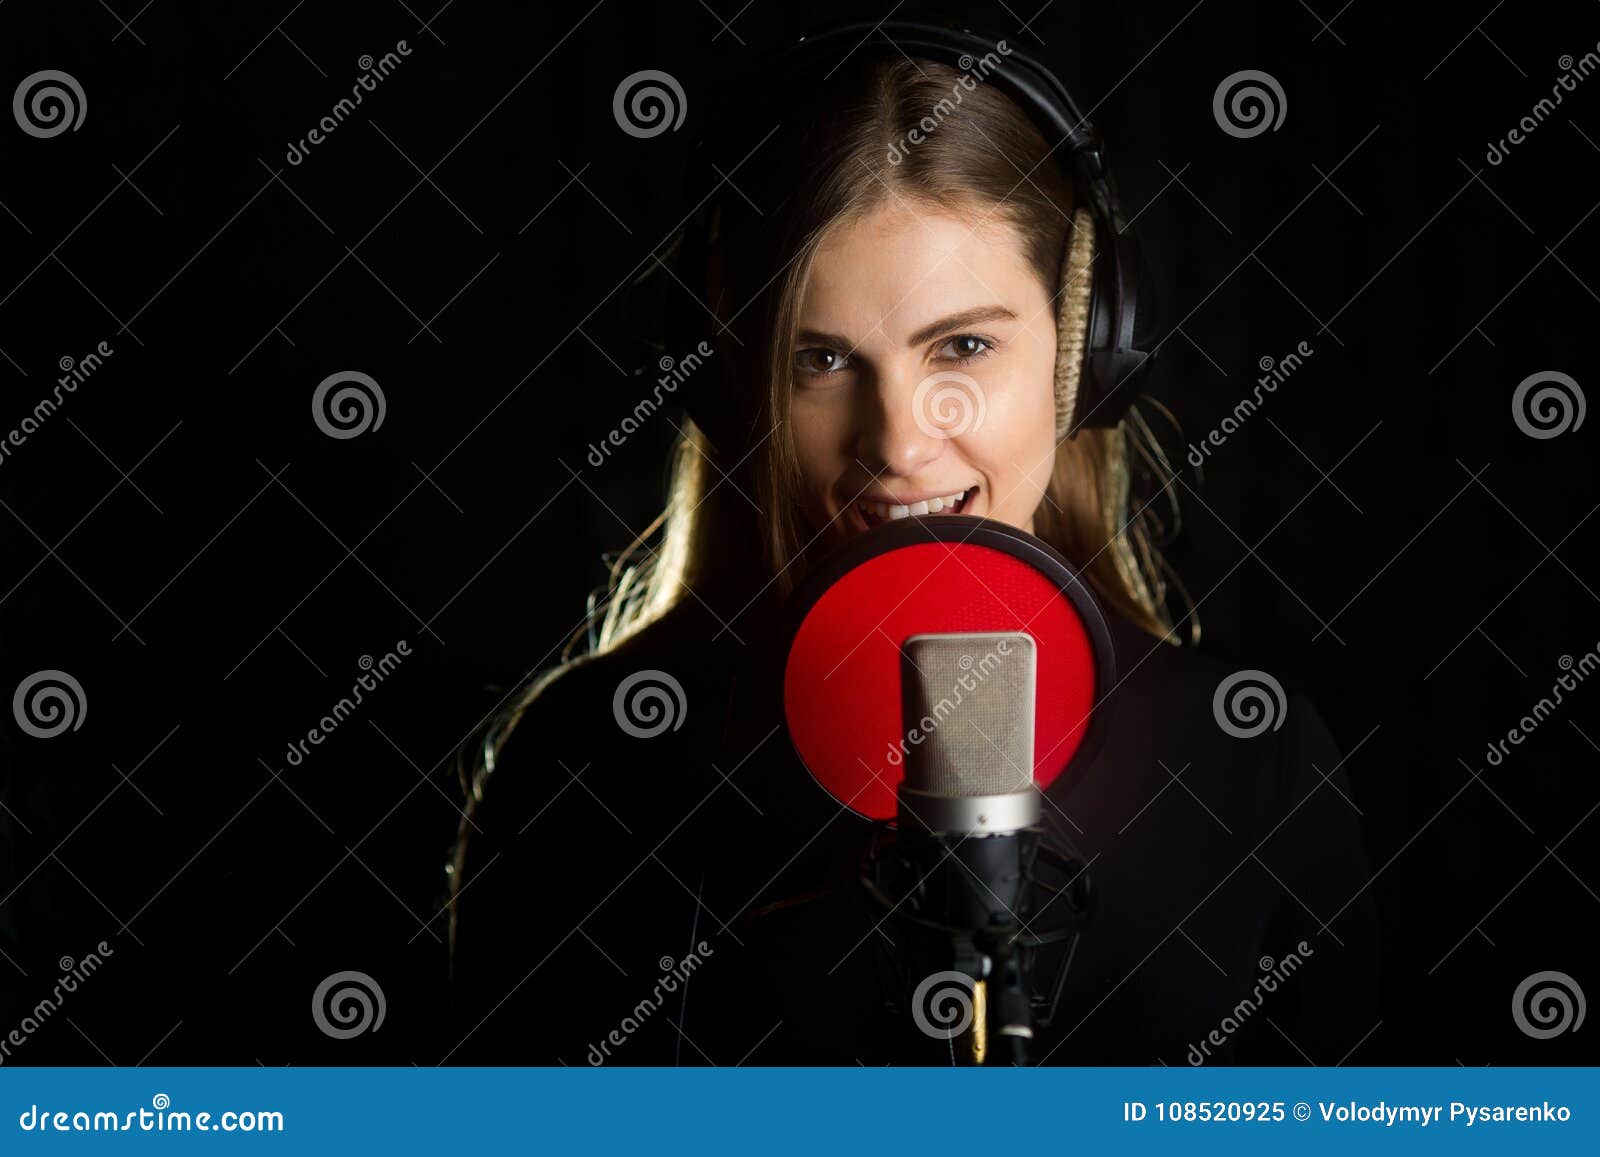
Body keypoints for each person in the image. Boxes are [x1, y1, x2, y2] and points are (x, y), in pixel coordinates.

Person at [443, 23, 1379, 1067]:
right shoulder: (585, 762)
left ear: (1083, 349)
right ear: (732, 377)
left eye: (964, 345)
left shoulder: (1250, 760)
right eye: (824, 359)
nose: (895, 440)